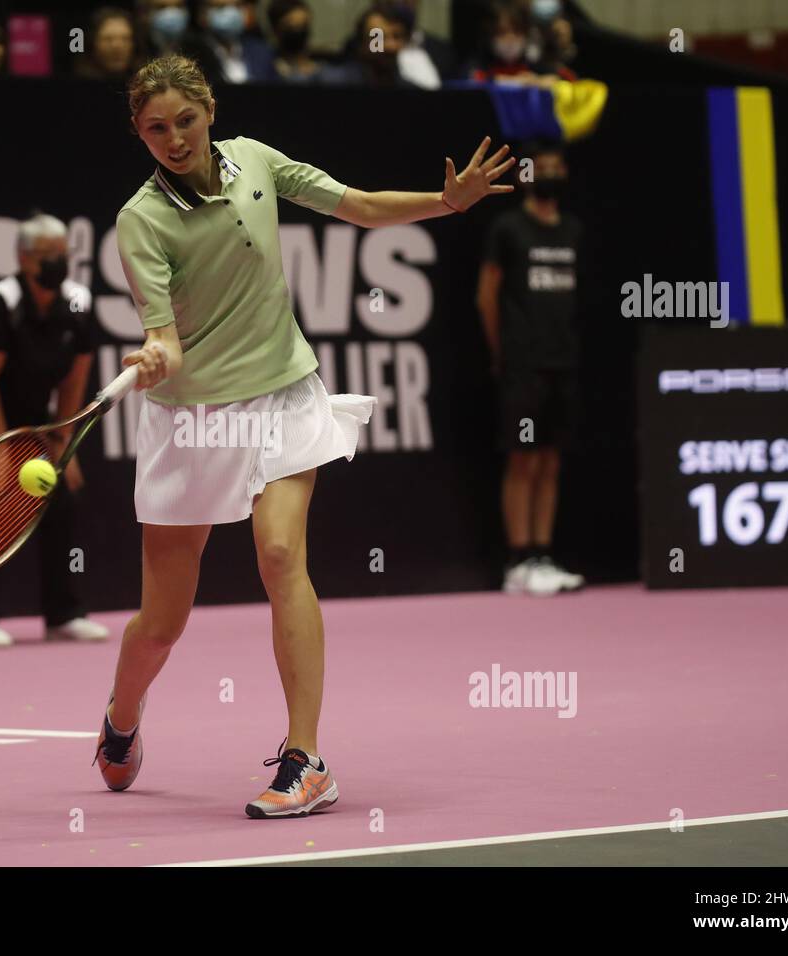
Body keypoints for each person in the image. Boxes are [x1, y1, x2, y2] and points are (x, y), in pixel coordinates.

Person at [102, 54, 514, 817]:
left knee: (282, 552)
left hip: (284, 393)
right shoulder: (141, 219)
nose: (174, 138)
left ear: (211, 110)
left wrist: (445, 203)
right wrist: (160, 352)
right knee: (162, 623)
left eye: (185, 120)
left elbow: (353, 204)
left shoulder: (257, 161)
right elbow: (166, 333)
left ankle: (306, 760)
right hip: (193, 419)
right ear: (139, 132)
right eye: (156, 128)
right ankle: (121, 718)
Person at [0, 213, 109, 648]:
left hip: (32, 415)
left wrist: (62, 443)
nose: (57, 263)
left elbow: (75, 377)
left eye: (62, 255)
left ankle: (62, 614)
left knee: (61, 499)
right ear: (23, 258)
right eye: (47, 256)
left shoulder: (77, 304)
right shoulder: (1, 303)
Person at [477, 140, 585, 596]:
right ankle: (518, 561)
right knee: (522, 459)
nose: (551, 172)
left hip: (564, 361)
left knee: (550, 458)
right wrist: (503, 352)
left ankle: (544, 554)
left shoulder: (574, 231)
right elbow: (486, 296)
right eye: (542, 167)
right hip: (523, 364)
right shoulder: (508, 229)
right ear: (526, 174)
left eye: (558, 166)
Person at [72, 7, 136, 85]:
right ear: (92, 43)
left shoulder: (145, 85)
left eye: (125, 39)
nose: (117, 46)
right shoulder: (77, 84)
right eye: (107, 39)